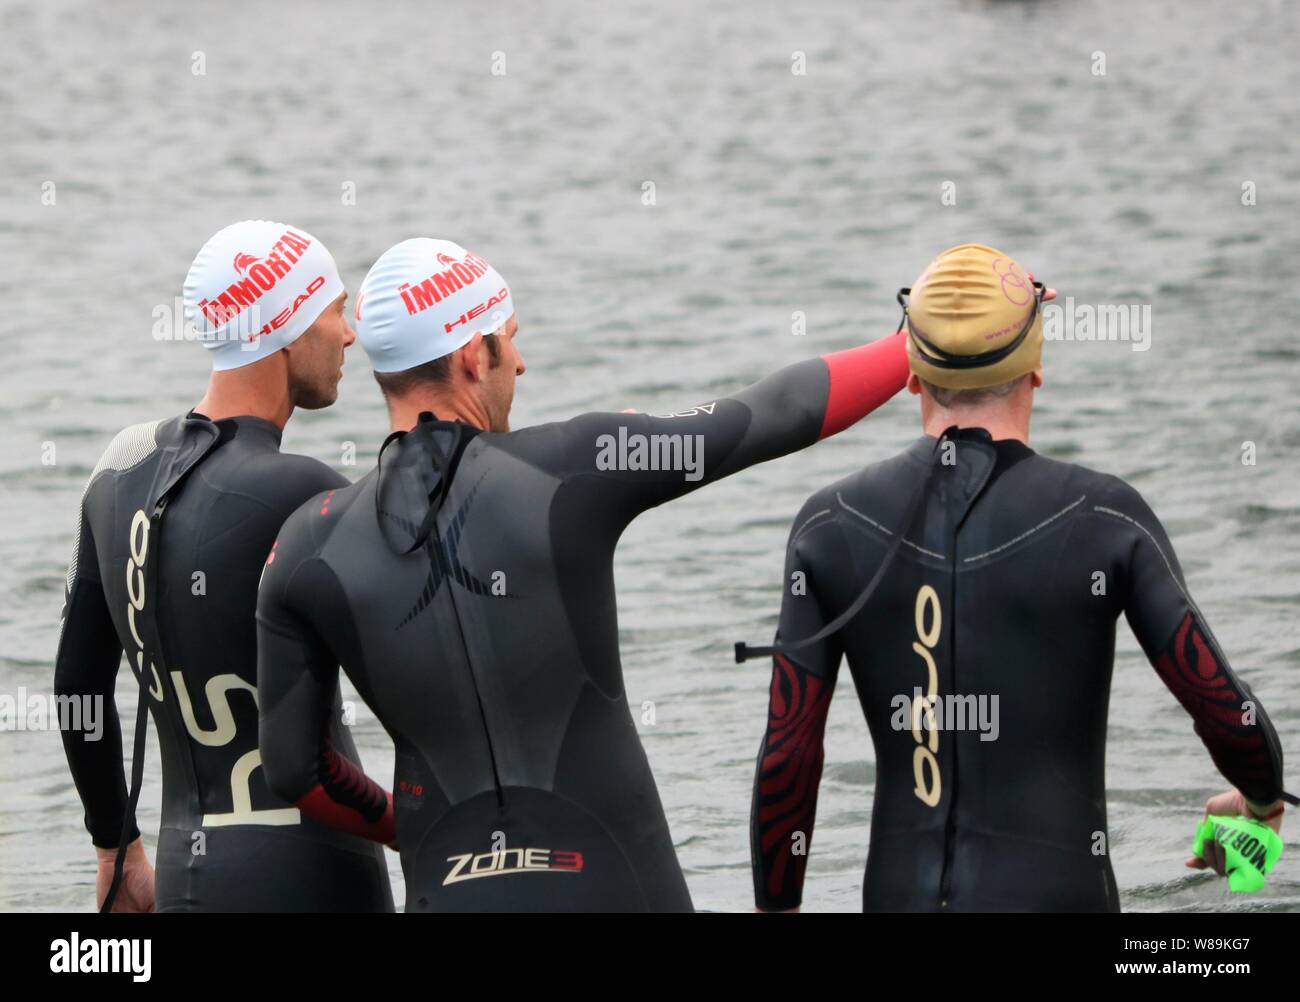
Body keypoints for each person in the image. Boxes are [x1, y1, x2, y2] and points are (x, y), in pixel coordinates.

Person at [255, 236, 910, 911]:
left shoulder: (309, 541)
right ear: (471, 358)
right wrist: (918, 342)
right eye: (510, 341)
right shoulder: (574, 465)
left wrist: (418, 831)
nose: (523, 362)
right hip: (617, 885)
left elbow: (296, 770)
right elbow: (779, 411)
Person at [746, 243, 1286, 913]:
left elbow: (788, 756)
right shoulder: (1106, 517)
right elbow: (1221, 705)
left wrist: (779, 908)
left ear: (911, 374)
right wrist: (1259, 800)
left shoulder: (827, 525)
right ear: (1036, 366)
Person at [54, 220, 394, 913]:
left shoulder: (117, 470)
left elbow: (77, 686)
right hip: (313, 878)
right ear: (287, 328)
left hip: (181, 873)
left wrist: (115, 849)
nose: (349, 335)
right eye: (333, 311)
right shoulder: (304, 491)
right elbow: (422, 679)